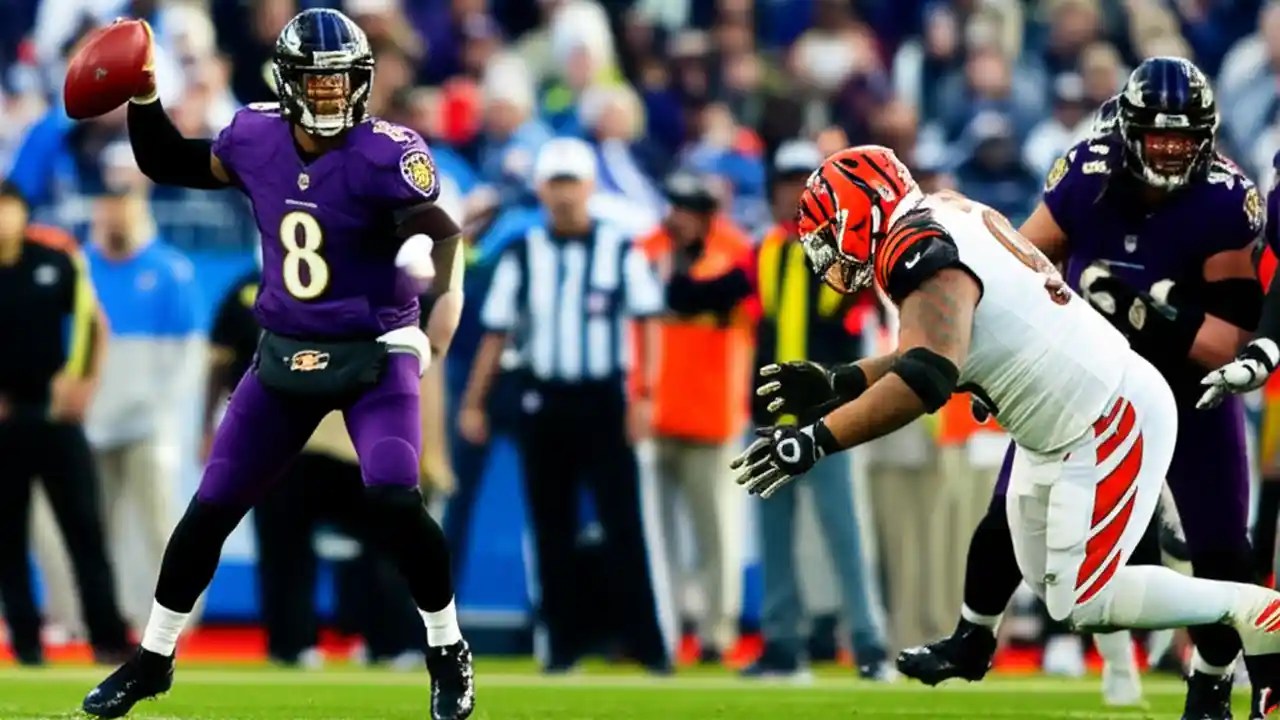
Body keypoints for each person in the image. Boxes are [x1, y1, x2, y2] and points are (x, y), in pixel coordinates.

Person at [731, 143, 1280, 718]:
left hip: (1103, 416)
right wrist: (840, 380)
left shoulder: (919, 247)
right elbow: (935, 346)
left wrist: (816, 439)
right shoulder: (939, 213)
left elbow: (927, 375)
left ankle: (1252, 610)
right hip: (1062, 418)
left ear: (863, 209)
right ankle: (976, 643)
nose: (825, 246)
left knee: (1084, 600)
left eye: (830, 227)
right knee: (1037, 567)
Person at [80, 11, 474, 720]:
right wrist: (144, 95)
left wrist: (435, 324)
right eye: (316, 82)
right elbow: (166, 161)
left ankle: (447, 651)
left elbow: (442, 239)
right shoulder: (254, 137)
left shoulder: (387, 154)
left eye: (340, 81)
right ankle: (152, 660)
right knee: (211, 507)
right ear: (288, 83)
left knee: (393, 495)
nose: (330, 94)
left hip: (374, 348)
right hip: (286, 349)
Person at [895, 57, 1268, 716]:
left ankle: (1210, 680)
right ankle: (973, 636)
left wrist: (1141, 312)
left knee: (1220, 549)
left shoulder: (1222, 198)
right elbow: (1016, 267)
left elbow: (1225, 340)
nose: (1172, 149)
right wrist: (989, 359)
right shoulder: (1087, 174)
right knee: (1011, 511)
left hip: (1189, 390)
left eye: (1184, 136)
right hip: (1088, 385)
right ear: (1128, 130)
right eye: (1158, 134)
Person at [459, 137, 675, 673]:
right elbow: (496, 333)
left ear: (590, 187)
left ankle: (646, 645)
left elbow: (649, 322)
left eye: (571, 183)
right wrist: (475, 402)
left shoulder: (620, 249)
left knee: (624, 525)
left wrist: (645, 394)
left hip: (603, 398)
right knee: (550, 527)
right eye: (554, 184)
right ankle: (560, 646)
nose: (563, 195)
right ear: (540, 190)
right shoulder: (523, 253)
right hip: (544, 398)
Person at [742, 140, 890, 680]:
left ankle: (870, 645)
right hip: (768, 418)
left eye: (801, 186)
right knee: (774, 538)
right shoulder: (763, 251)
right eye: (784, 186)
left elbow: (869, 313)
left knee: (845, 534)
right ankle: (782, 646)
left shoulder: (845, 252)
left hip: (830, 420)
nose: (791, 196)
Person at [0, 180, 131, 666]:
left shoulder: (56, 261)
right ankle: (27, 644)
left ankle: (108, 639)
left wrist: (85, 382)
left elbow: (94, 323)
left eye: (9, 210)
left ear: (23, 214)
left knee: (85, 530)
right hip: (5, 419)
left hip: (56, 416)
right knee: (8, 539)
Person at [80, 142, 204, 631]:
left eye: (123, 205)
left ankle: (175, 620)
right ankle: (95, 617)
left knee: (159, 520)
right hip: (91, 418)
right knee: (92, 526)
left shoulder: (169, 270)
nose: (114, 215)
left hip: (148, 422)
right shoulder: (81, 267)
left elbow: (188, 354)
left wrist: (160, 406)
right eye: (107, 205)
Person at [639, 170, 753, 662]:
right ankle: (663, 626)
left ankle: (716, 632)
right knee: (657, 535)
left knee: (716, 532)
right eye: (676, 206)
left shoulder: (735, 253)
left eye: (691, 208)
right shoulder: (647, 250)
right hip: (654, 410)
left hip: (712, 411)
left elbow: (719, 305)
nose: (680, 217)